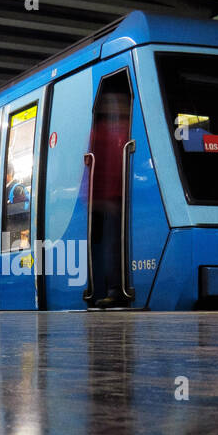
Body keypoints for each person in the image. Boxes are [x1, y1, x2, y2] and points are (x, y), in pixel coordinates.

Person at [89, 90, 130, 307]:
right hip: (109, 197)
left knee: (112, 243)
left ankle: (114, 288)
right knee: (110, 244)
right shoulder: (106, 131)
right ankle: (111, 289)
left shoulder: (115, 130)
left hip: (119, 195)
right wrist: (98, 198)